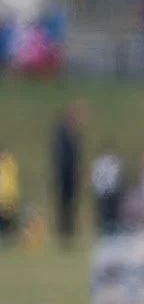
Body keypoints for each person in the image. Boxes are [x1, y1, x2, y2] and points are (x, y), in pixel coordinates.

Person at [53, 99, 86, 247]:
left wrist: (78, 171)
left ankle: (70, 232)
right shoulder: (62, 134)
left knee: (72, 204)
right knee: (63, 204)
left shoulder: (75, 136)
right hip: (63, 175)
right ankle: (63, 233)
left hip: (72, 176)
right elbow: (59, 156)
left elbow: (77, 157)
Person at [90, 142, 124, 236]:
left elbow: (117, 178)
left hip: (111, 192)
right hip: (103, 192)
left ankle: (112, 228)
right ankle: (104, 228)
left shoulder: (114, 163)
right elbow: (97, 177)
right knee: (103, 212)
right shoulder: (100, 163)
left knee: (112, 213)